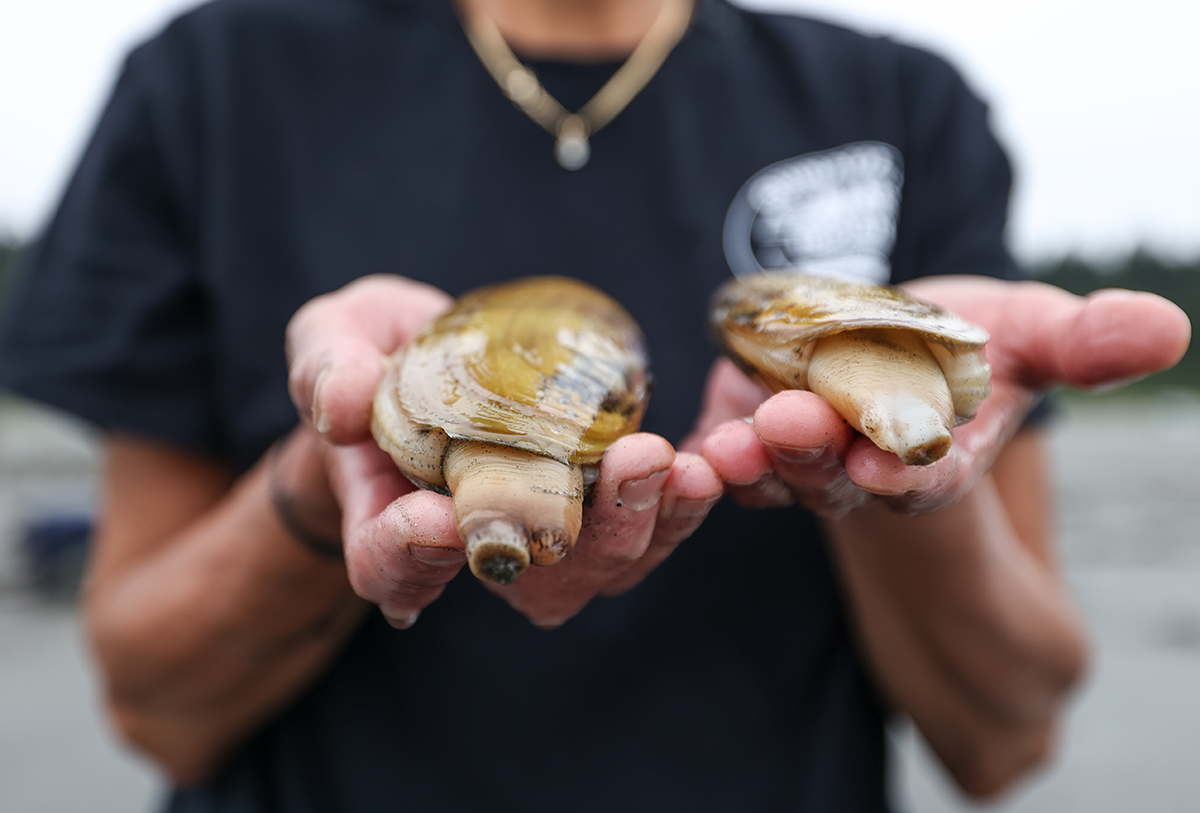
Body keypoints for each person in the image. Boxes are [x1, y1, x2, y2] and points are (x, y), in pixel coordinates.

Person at [0, 0, 1189, 810]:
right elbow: (155, 709)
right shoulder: (216, 83)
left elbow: (1007, 738)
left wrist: (869, 472)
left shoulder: (898, 99)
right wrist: (336, 464)